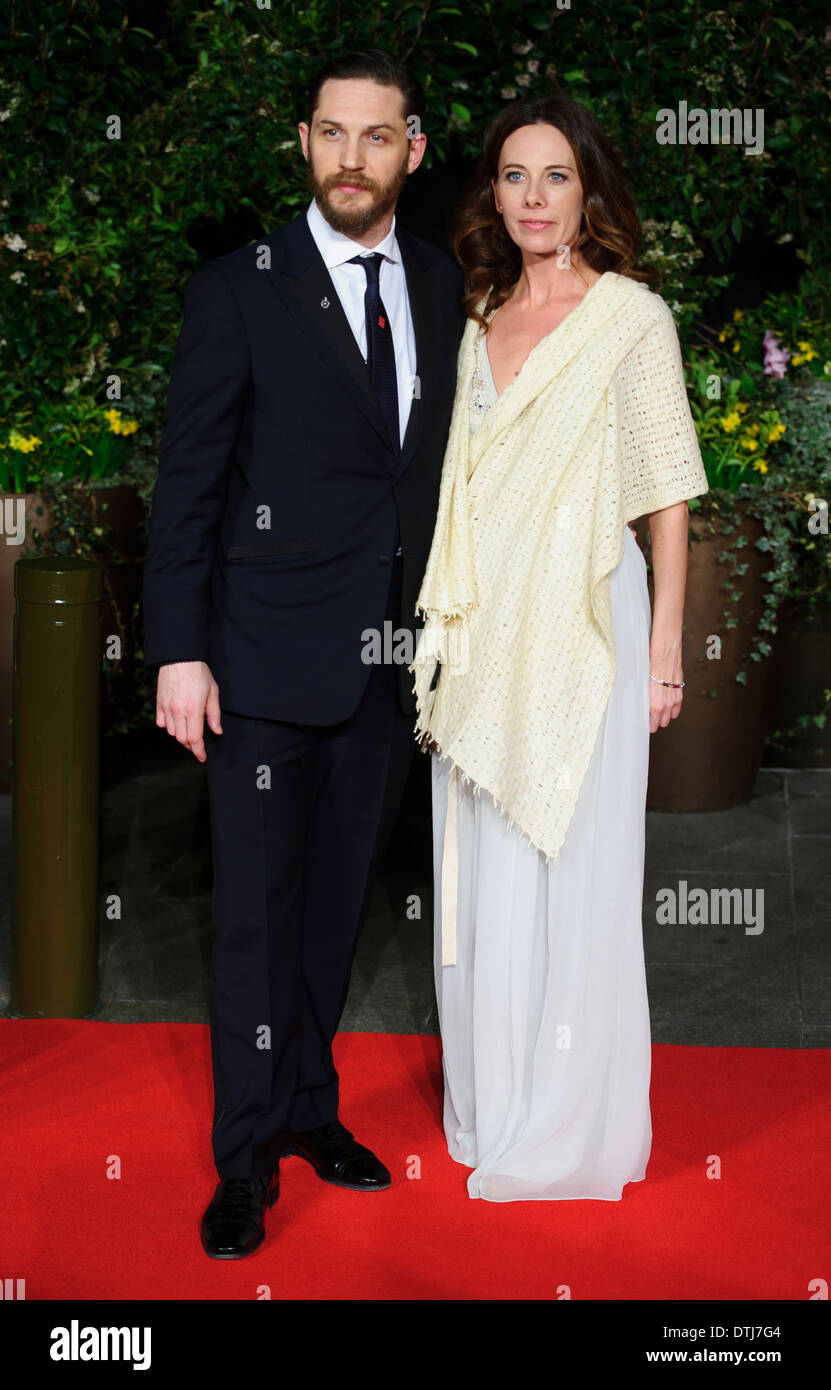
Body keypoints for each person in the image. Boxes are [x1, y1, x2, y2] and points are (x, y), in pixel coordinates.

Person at [142, 48, 464, 1257]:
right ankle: (243, 1162)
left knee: (336, 913)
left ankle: (311, 1110)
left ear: (412, 151)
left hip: (389, 666)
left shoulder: (437, 286)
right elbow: (190, 487)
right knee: (254, 925)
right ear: (303, 141)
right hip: (260, 662)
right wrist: (180, 650)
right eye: (331, 134)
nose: (350, 159)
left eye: (375, 137)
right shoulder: (242, 288)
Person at [409, 95, 709, 1202]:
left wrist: (666, 652)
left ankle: (570, 1128)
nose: (534, 197)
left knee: (576, 867)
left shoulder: (631, 318)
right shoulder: (479, 315)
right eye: (515, 176)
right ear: (492, 192)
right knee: (487, 866)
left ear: (589, 192)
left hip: (590, 624)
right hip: (487, 629)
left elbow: (667, 491)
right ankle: (496, 1104)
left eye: (556, 177)